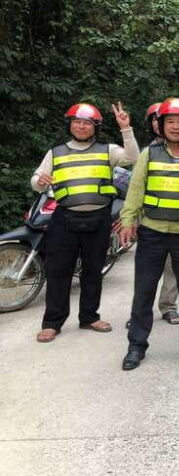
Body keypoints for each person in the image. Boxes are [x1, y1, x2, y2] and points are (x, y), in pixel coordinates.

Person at [118, 98, 179, 370]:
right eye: (170, 121)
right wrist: (128, 221)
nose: (175, 127)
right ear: (160, 126)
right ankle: (136, 345)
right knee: (144, 290)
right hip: (152, 232)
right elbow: (135, 190)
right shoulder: (149, 155)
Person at [32, 102, 139, 343]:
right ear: (70, 125)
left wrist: (126, 128)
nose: (81, 126)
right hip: (64, 218)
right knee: (59, 270)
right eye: (77, 122)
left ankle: (89, 316)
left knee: (93, 269)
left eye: (87, 123)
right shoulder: (56, 152)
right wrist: (40, 181)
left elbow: (132, 156)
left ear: (95, 127)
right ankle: (52, 323)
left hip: (99, 218)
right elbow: (36, 179)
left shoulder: (107, 150)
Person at [144, 102, 179, 325]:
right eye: (156, 120)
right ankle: (141, 309)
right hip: (151, 219)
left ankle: (168, 306)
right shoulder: (147, 153)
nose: (160, 124)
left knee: (173, 266)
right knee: (148, 268)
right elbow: (137, 187)